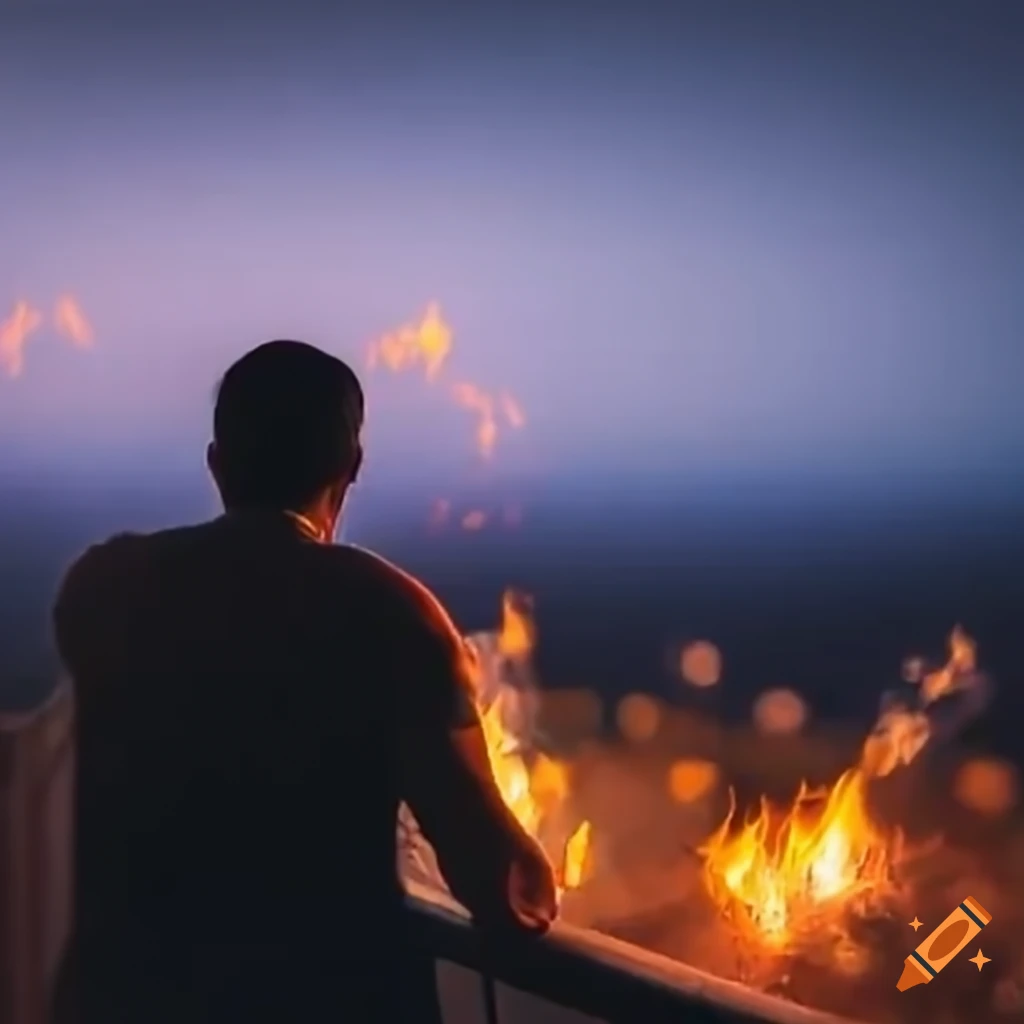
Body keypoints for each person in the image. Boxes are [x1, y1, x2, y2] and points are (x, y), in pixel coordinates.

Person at [51, 340, 558, 1023]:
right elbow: (499, 880)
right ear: (350, 467)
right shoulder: (393, 615)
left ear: (217, 463)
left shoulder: (103, 585)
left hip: (124, 1000)